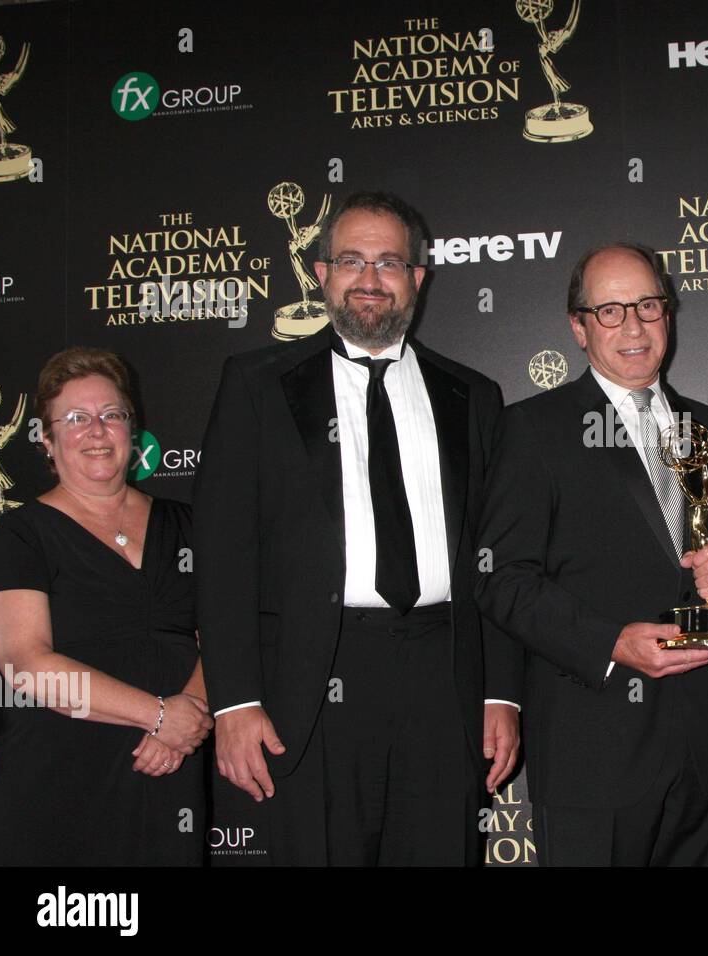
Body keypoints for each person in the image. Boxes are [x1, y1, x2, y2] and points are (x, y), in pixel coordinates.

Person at [194, 191, 522, 866]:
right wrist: (233, 702)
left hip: (443, 678)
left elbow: (500, 559)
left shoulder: (473, 397)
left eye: (389, 263)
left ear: (418, 279)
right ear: (321, 274)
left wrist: (500, 691)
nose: (370, 279)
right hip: (310, 681)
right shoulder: (257, 385)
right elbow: (223, 555)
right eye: (351, 261)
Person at [475, 243, 708, 866]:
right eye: (610, 311)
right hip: (594, 751)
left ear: (668, 313)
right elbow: (502, 580)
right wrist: (610, 641)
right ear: (578, 327)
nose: (635, 326)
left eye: (647, 305)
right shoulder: (533, 429)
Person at [0, 347, 210, 865]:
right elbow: (26, 663)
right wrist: (157, 716)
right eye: (76, 419)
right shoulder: (23, 534)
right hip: (59, 780)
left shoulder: (186, 525)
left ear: (132, 432)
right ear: (46, 439)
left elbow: (220, 636)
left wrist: (184, 724)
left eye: (111, 415)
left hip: (166, 775)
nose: (96, 430)